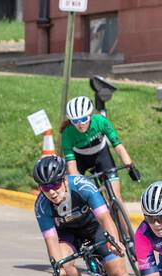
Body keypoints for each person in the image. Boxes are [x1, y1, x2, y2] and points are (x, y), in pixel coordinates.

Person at [32, 155, 159, 276]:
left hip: (95, 227)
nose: (52, 192)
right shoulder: (41, 205)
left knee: (118, 273)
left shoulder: (82, 186)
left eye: (55, 184)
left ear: (64, 179)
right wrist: (58, 268)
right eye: (45, 187)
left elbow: (105, 219)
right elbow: (51, 241)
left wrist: (115, 241)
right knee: (64, 267)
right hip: (68, 236)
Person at [60, 95, 139, 226]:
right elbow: (72, 166)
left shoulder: (101, 121)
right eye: (75, 121)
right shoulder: (67, 133)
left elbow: (118, 146)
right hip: (80, 160)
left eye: (84, 119)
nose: (80, 124)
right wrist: (79, 181)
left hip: (102, 156)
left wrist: (129, 165)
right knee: (86, 198)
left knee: (116, 197)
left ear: (90, 116)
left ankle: (130, 238)